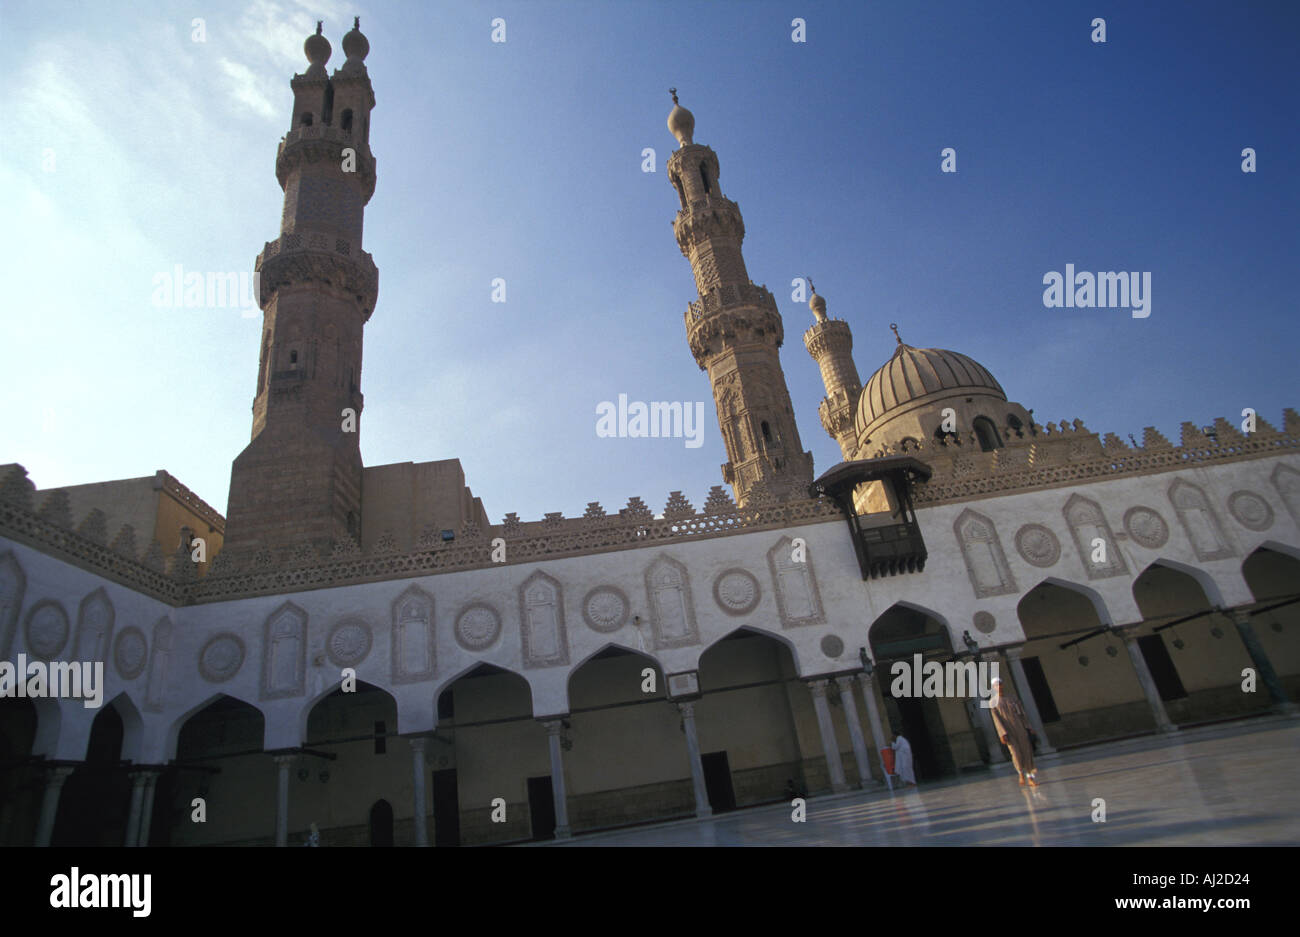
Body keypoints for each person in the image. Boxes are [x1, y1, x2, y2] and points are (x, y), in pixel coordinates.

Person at [990, 677, 1038, 787]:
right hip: (1008, 732)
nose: (999, 687)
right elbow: (997, 720)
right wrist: (1002, 734)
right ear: (993, 688)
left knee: (1026, 751)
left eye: (1000, 684)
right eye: (996, 685)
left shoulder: (1012, 699)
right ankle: (1020, 773)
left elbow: (1022, 713)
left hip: (1020, 728)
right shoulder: (993, 703)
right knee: (1016, 753)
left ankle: (1030, 776)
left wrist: (1028, 726)